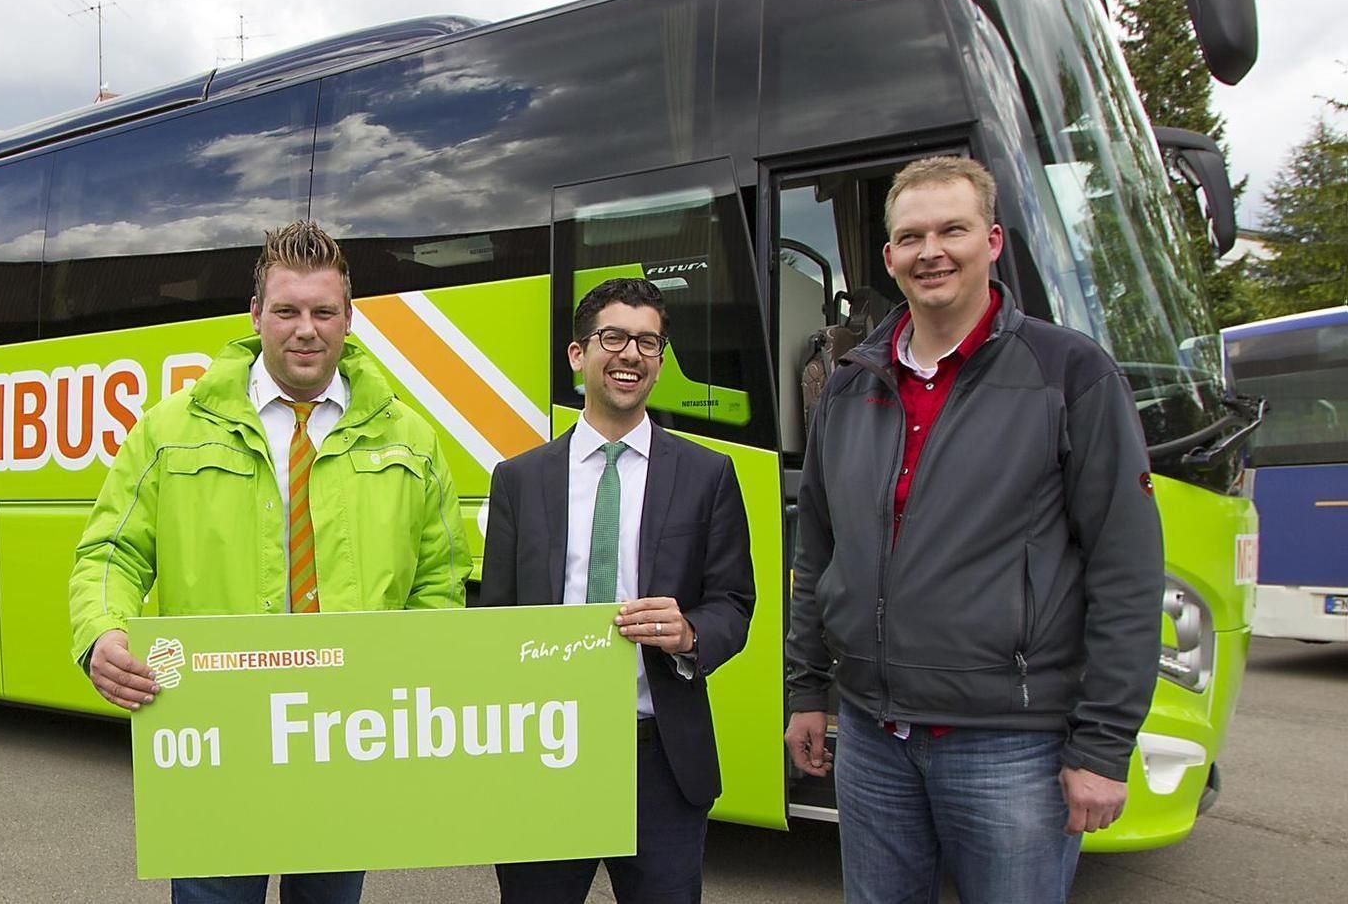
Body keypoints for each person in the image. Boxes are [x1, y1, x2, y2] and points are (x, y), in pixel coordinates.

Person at [784, 156, 1164, 903]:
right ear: (889, 257)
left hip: (1010, 744)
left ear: (991, 240)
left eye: (951, 229)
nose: (931, 250)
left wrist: (1104, 744)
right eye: (910, 235)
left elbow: (1125, 571)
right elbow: (818, 550)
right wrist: (807, 689)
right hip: (871, 732)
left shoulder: (1070, 374)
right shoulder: (851, 382)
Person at [67, 219, 467, 904]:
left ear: (349, 317)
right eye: (286, 310)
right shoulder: (171, 430)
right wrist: (103, 630)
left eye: (321, 311)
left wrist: (411, 678)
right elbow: (112, 550)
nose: (304, 329)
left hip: (347, 739)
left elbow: (440, 578)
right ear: (256, 315)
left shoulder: (411, 438)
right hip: (218, 739)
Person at [482, 277, 754, 904]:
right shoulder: (519, 480)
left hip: (658, 757)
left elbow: (734, 603)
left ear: (660, 362)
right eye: (613, 338)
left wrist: (690, 634)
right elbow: (494, 617)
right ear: (578, 355)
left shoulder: (708, 474)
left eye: (648, 343)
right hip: (543, 752)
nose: (631, 355)